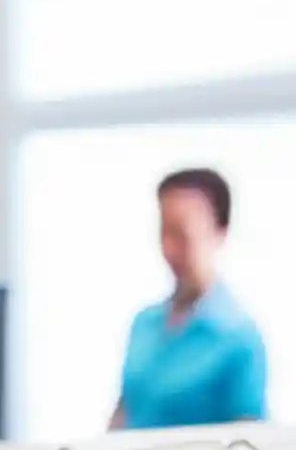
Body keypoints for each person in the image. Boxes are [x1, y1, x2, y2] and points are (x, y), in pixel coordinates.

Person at [111, 168, 268, 430]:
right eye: (165, 232)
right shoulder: (144, 323)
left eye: (182, 234)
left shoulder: (240, 338)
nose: (170, 249)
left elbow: (248, 439)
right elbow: (123, 414)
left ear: (220, 231)